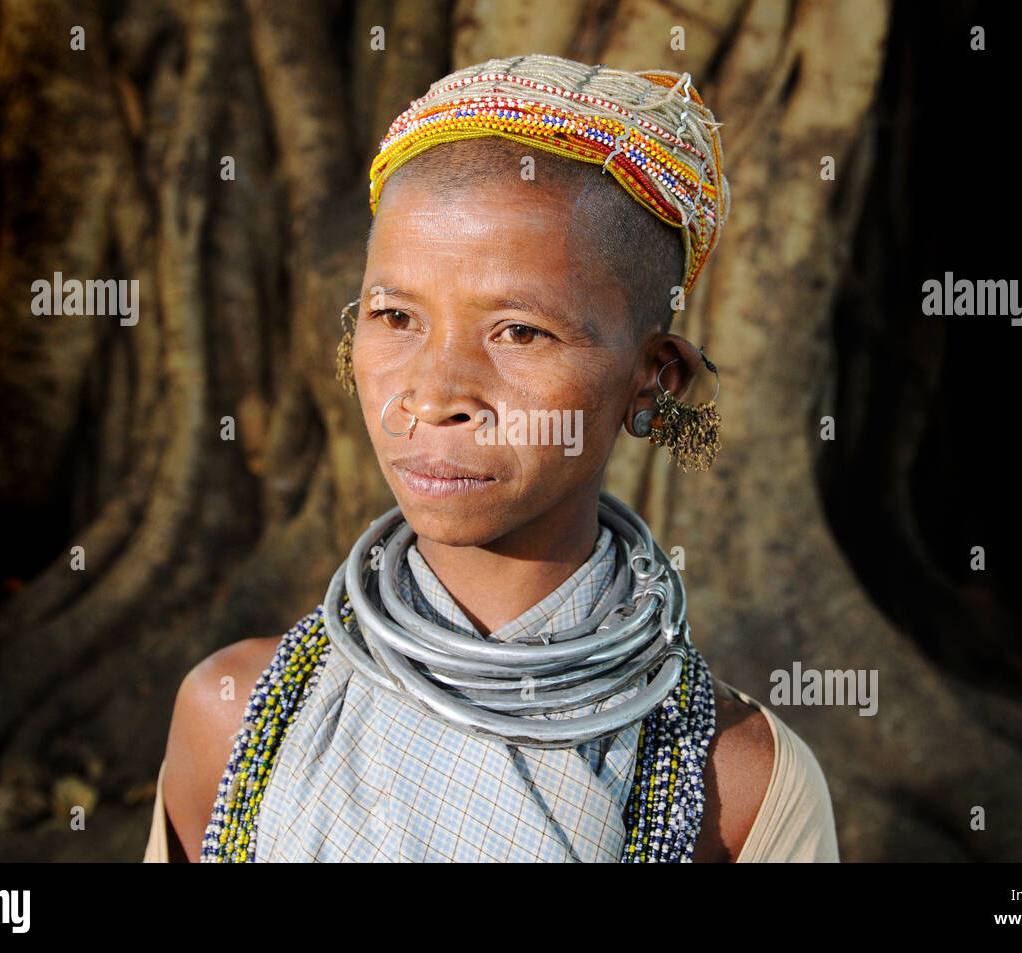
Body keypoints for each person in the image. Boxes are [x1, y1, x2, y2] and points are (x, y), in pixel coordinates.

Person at [144, 54, 838, 863]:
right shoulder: (235, 718)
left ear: (653, 379)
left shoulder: (740, 786)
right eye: (395, 316)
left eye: (520, 331)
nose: (435, 392)